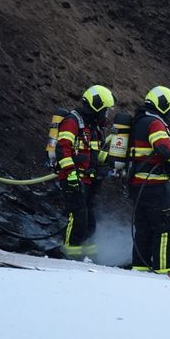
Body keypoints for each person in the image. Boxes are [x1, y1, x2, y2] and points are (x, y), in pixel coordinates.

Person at [55, 84, 114, 260]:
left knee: (90, 220)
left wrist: (106, 163)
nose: (106, 114)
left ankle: (89, 256)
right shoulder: (73, 121)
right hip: (73, 178)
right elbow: (62, 149)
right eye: (105, 110)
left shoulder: (94, 127)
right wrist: (71, 173)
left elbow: (94, 154)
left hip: (89, 180)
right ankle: (69, 254)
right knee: (78, 216)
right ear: (96, 107)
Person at [128, 86, 170, 273]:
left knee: (143, 229)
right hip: (155, 184)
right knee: (165, 229)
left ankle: (139, 267)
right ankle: (163, 270)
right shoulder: (155, 123)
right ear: (163, 106)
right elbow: (164, 148)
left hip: (137, 185)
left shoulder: (138, 121)